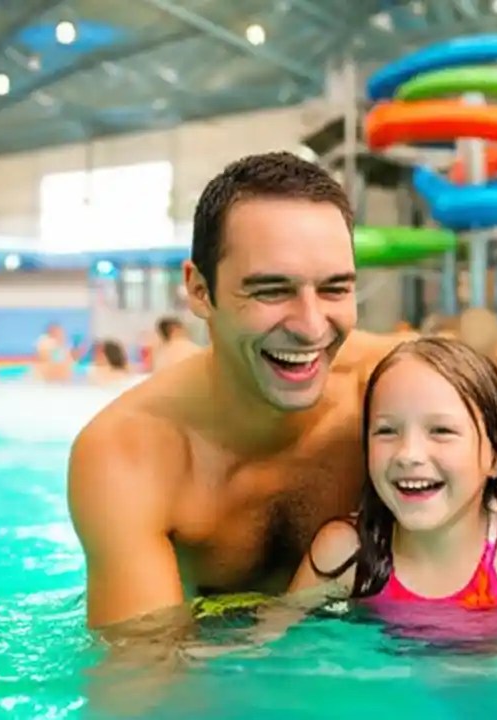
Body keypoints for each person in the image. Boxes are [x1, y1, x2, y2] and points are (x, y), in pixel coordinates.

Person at [67, 152, 403, 631]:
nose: (311, 327)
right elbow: (144, 668)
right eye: (271, 290)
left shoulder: (395, 395)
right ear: (199, 291)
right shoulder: (128, 456)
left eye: (335, 289)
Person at [289, 337, 497, 606]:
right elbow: (271, 653)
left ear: (496, 455)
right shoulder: (346, 554)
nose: (408, 454)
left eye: (441, 431)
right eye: (387, 431)